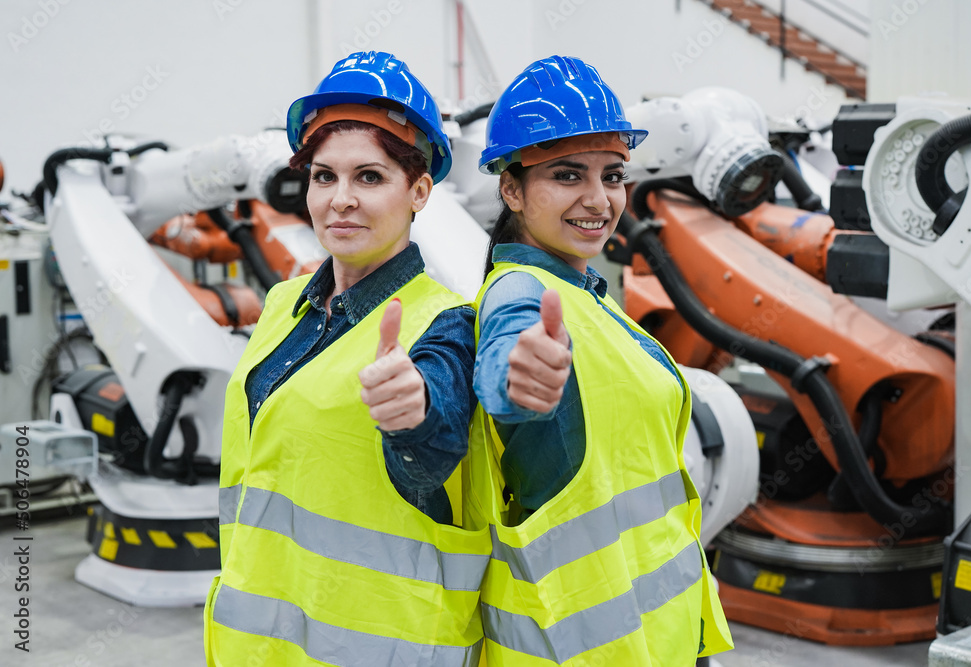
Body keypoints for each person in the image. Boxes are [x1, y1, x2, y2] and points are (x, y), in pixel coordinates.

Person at [204, 51, 489, 666]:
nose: (341, 200)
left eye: (369, 177)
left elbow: (433, 449)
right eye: (324, 176)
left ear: (418, 191)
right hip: (260, 639)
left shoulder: (446, 325)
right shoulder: (283, 305)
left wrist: (413, 413)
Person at [466, 55, 734, 665]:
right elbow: (506, 363)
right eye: (566, 175)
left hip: (651, 635)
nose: (599, 199)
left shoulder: (585, 294)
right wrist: (517, 377)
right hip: (580, 648)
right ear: (512, 188)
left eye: (612, 175)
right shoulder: (521, 294)